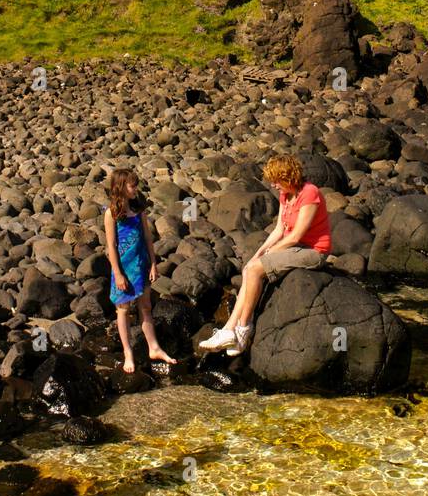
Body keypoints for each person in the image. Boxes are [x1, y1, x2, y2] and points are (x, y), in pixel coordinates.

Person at [199, 154, 332, 357]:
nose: (274, 186)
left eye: (276, 181)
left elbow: (296, 236)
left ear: (288, 177)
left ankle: (243, 329)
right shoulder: (285, 196)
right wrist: (260, 252)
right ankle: (228, 330)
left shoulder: (309, 193)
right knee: (248, 268)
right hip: (292, 248)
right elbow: (279, 230)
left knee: (254, 271)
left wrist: (271, 253)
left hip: (313, 251)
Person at [104, 168, 176, 374]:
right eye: (131, 185)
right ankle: (128, 353)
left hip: (141, 264)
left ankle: (154, 347)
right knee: (123, 310)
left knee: (145, 307)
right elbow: (111, 246)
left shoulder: (139, 208)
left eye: (136, 184)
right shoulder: (111, 213)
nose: (135, 188)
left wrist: (153, 263)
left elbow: (147, 238)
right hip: (123, 269)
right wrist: (117, 274)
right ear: (120, 187)